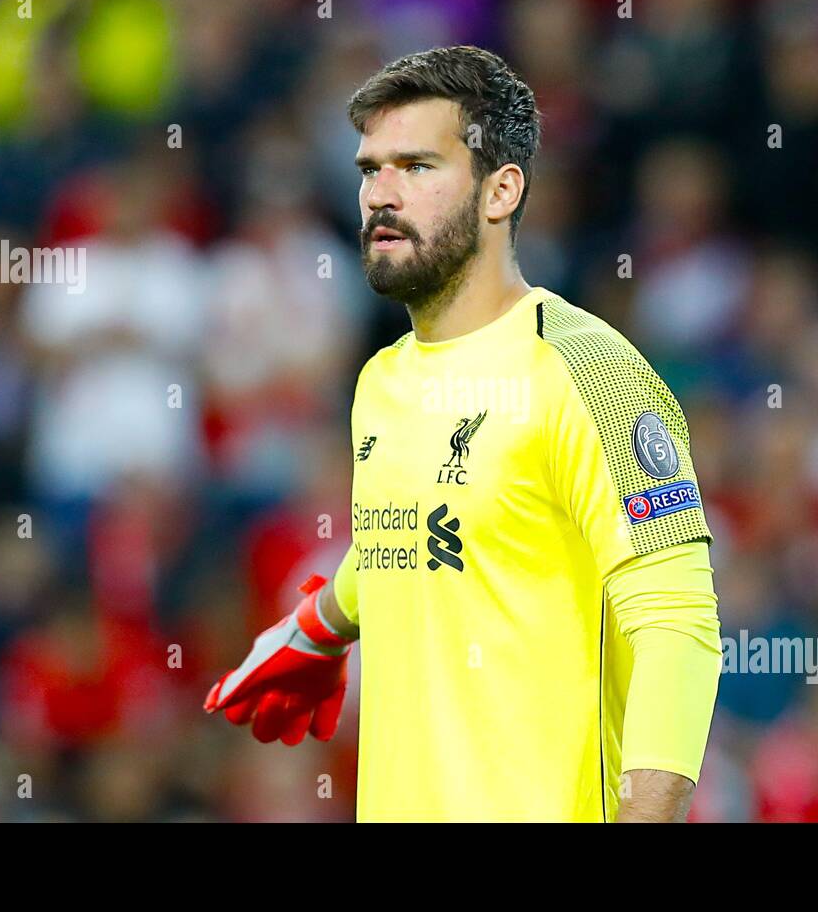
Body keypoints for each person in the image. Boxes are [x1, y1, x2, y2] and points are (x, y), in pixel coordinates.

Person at [206, 45, 722, 822]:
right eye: (369, 169)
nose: (381, 194)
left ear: (499, 190)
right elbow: (420, 530)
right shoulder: (381, 382)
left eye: (416, 166)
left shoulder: (589, 372)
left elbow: (677, 622)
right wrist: (320, 627)